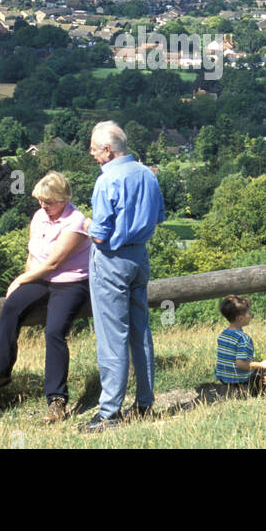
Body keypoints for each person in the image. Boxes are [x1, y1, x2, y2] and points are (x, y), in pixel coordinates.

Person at [0, 171, 91, 424]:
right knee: (12, 307)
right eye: (40, 201)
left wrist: (19, 279)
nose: (43, 206)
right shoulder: (39, 217)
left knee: (54, 332)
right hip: (40, 277)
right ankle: (0, 373)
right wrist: (27, 281)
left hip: (71, 281)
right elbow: (33, 253)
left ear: (64, 199)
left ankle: (56, 400)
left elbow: (54, 263)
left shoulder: (75, 221)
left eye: (49, 202)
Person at [80, 121, 165, 434]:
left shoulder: (106, 181)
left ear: (107, 150)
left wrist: (87, 225)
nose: (92, 155)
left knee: (111, 336)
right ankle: (144, 402)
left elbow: (100, 236)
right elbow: (158, 217)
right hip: (139, 257)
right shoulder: (147, 173)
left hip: (111, 261)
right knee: (140, 331)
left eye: (93, 149)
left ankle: (109, 412)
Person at [215, 294, 266, 398]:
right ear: (240, 318)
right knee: (263, 371)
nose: (250, 316)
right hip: (237, 379)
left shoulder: (223, 334)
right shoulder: (243, 339)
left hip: (223, 377)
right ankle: (257, 393)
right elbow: (240, 364)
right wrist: (261, 365)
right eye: (249, 313)